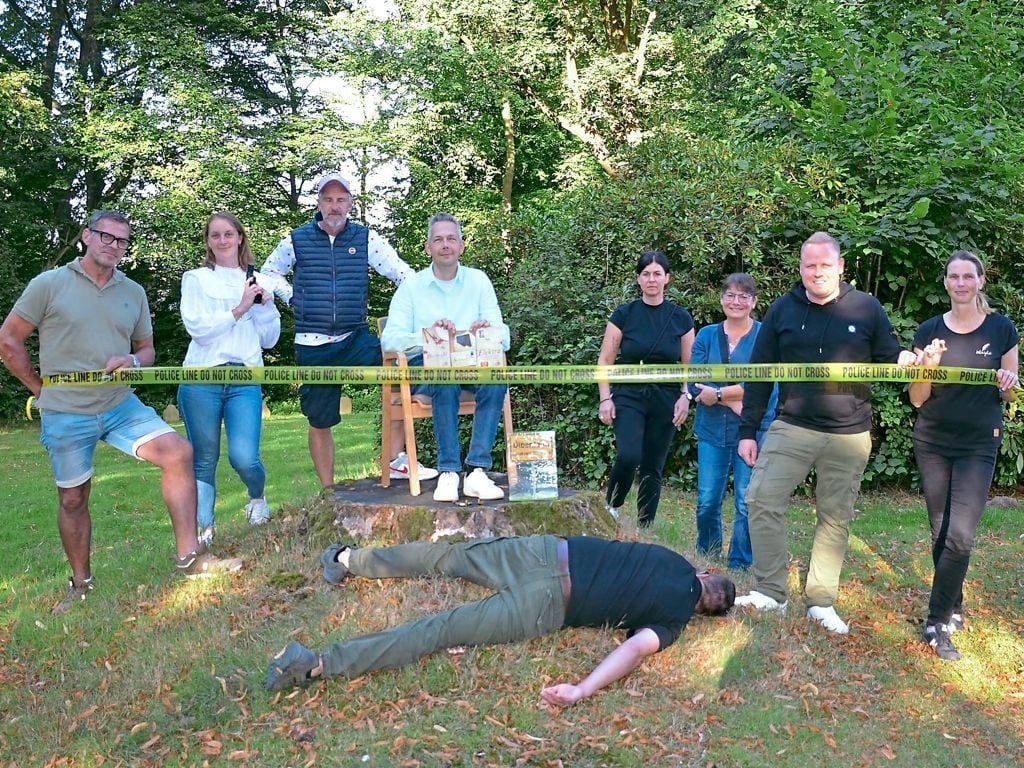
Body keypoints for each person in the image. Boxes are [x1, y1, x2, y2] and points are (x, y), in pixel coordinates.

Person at [0, 210, 243, 615]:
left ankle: (190, 558)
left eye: (122, 241)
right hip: (65, 411)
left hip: (119, 404)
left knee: (179, 452)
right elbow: (9, 339)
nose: (113, 246)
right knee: (74, 498)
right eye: (106, 237)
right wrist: (39, 389)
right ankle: (81, 584)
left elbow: (147, 350)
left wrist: (133, 358)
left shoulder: (133, 292)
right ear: (86, 236)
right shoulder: (50, 284)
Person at [264, 535, 736, 704]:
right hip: (550, 605)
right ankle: (318, 663)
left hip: (543, 551)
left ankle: (347, 558)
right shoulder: (675, 620)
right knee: (440, 628)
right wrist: (582, 688)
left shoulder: (676, 561)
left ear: (705, 574)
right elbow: (634, 648)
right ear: (705, 611)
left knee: (445, 557)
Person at [734, 231, 903, 635]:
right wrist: (747, 431)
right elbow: (759, 376)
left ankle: (821, 603)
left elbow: (893, 358)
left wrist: (915, 359)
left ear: (841, 267)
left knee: (835, 517)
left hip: (849, 434)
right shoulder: (781, 311)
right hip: (791, 426)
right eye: (810, 265)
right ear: (801, 269)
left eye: (826, 265)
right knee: (759, 499)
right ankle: (772, 592)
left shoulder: (866, 308)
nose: (817, 272)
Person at [260, 173, 435, 487]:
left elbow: (402, 273)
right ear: (319, 203)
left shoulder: (366, 238)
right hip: (312, 345)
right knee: (319, 420)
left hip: (354, 338)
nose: (334, 206)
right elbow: (268, 273)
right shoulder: (296, 239)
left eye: (341, 200)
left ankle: (395, 461)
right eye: (328, 199)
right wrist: (289, 296)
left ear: (350, 203)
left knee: (406, 371)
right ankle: (329, 494)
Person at [906, 250, 1018, 661]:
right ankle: (953, 603)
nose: (960, 283)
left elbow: (1009, 390)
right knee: (941, 532)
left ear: (981, 281)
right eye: (953, 277)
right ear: (946, 283)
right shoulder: (930, 330)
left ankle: (935, 623)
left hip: (978, 442)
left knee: (960, 535)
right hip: (933, 440)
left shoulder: (1002, 329)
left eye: (967, 276)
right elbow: (918, 399)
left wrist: (1008, 381)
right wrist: (928, 366)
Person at [380, 212, 509, 502]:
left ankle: (476, 471)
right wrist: (431, 337)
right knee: (443, 373)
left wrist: (487, 331)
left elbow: (503, 333)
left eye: (451, 239)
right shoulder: (411, 287)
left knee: (496, 378)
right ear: (428, 248)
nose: (445, 245)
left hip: (473, 364)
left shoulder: (479, 281)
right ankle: (449, 472)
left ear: (462, 246)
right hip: (424, 369)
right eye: (438, 239)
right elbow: (390, 338)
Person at [177, 212, 281, 547]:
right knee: (204, 458)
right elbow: (199, 330)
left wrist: (262, 305)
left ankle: (257, 498)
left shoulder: (258, 280)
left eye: (228, 234)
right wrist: (239, 309)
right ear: (208, 241)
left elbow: (270, 339)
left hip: (244, 378)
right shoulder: (195, 278)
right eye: (215, 235)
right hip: (201, 378)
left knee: (244, 456)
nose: (222, 241)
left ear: (240, 237)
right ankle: (204, 531)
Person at [597, 251, 694, 527]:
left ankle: (645, 526)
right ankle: (611, 508)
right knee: (629, 455)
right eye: (646, 274)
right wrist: (605, 398)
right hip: (629, 395)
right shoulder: (623, 315)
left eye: (657, 274)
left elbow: (690, 365)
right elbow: (605, 359)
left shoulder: (681, 318)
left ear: (667, 278)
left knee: (653, 465)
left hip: (665, 398)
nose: (652, 279)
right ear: (638, 279)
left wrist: (685, 396)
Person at [688, 274, 777, 570]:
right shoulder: (706, 335)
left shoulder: (766, 336)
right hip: (712, 431)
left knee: (745, 501)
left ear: (754, 301)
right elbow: (694, 384)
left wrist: (718, 393)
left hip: (751, 432)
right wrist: (735, 397)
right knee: (707, 501)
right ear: (721, 299)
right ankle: (708, 557)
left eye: (743, 296)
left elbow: (767, 385)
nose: (736, 301)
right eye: (730, 295)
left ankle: (739, 563)